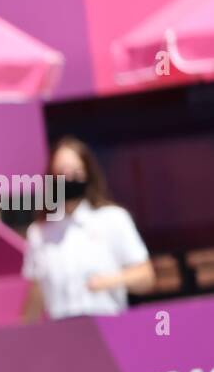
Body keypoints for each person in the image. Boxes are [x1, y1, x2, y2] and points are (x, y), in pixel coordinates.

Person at [22, 137, 155, 322]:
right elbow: (37, 291)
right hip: (63, 334)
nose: (68, 178)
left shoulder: (113, 219)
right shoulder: (39, 232)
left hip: (108, 327)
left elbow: (146, 277)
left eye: (75, 171)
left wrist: (108, 281)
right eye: (61, 172)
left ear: (87, 173)